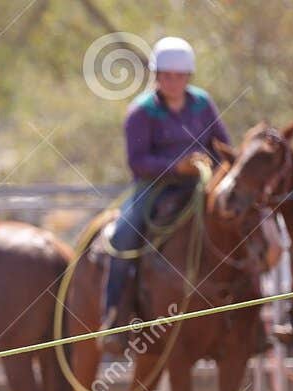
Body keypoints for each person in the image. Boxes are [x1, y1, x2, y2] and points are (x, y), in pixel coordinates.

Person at [99, 36, 230, 353]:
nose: (173, 81)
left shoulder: (202, 103)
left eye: (180, 76)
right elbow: (137, 161)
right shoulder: (142, 112)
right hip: (155, 187)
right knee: (123, 238)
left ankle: (250, 314)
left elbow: (224, 146)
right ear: (157, 76)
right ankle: (115, 317)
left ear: (188, 77)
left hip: (203, 185)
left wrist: (211, 165)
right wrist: (177, 167)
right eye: (167, 75)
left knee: (244, 224)